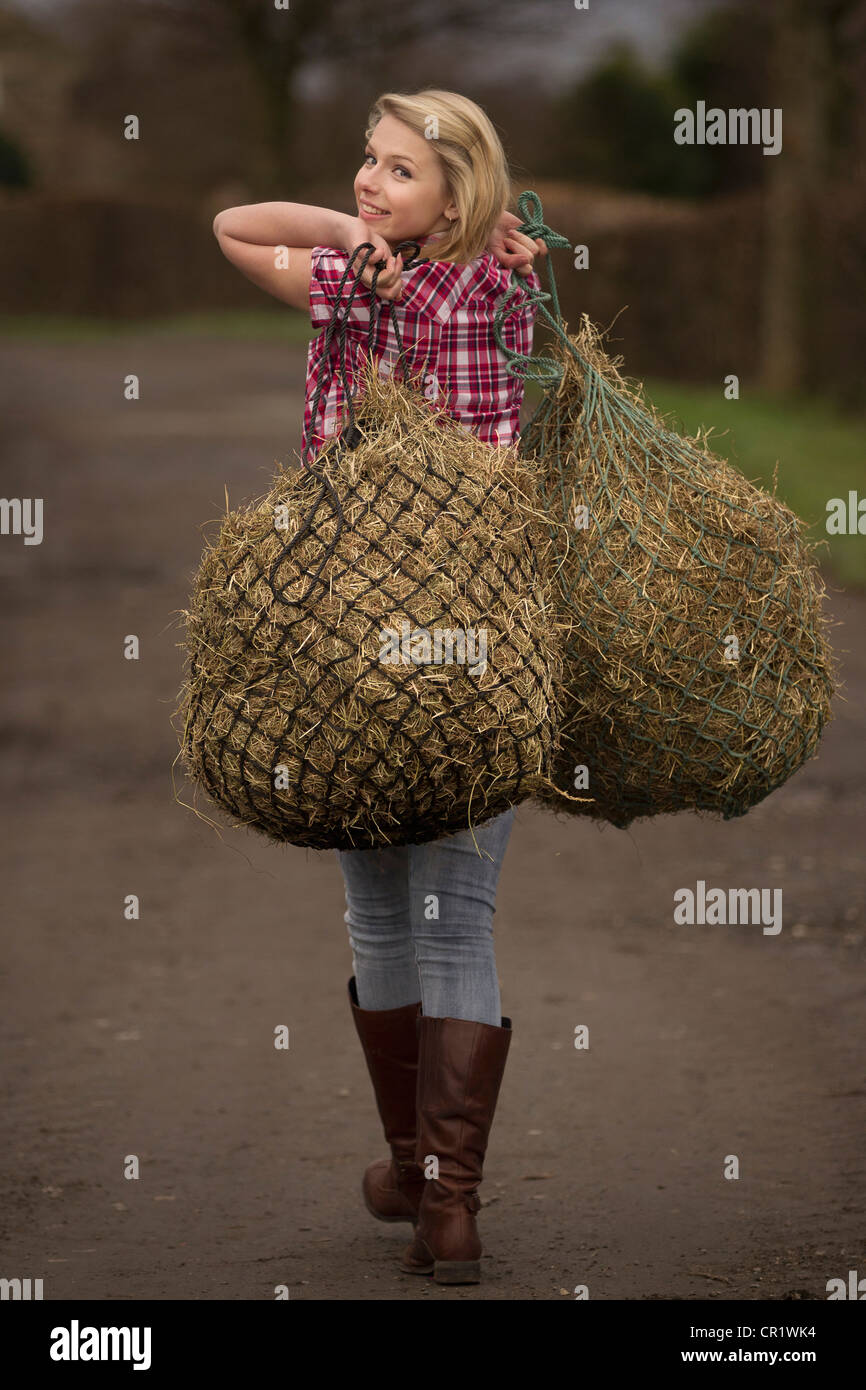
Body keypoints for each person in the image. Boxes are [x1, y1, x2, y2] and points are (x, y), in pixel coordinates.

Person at [212, 87, 547, 1286]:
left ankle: (410, 1161)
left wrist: (359, 240)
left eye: (396, 171)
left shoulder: (357, 285)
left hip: (349, 634)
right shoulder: (511, 292)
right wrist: (475, 226)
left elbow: (234, 227)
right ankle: (447, 1206)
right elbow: (547, 324)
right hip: (481, 639)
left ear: (450, 195)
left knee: (375, 910)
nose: (365, 183)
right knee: (458, 916)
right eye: (364, 161)